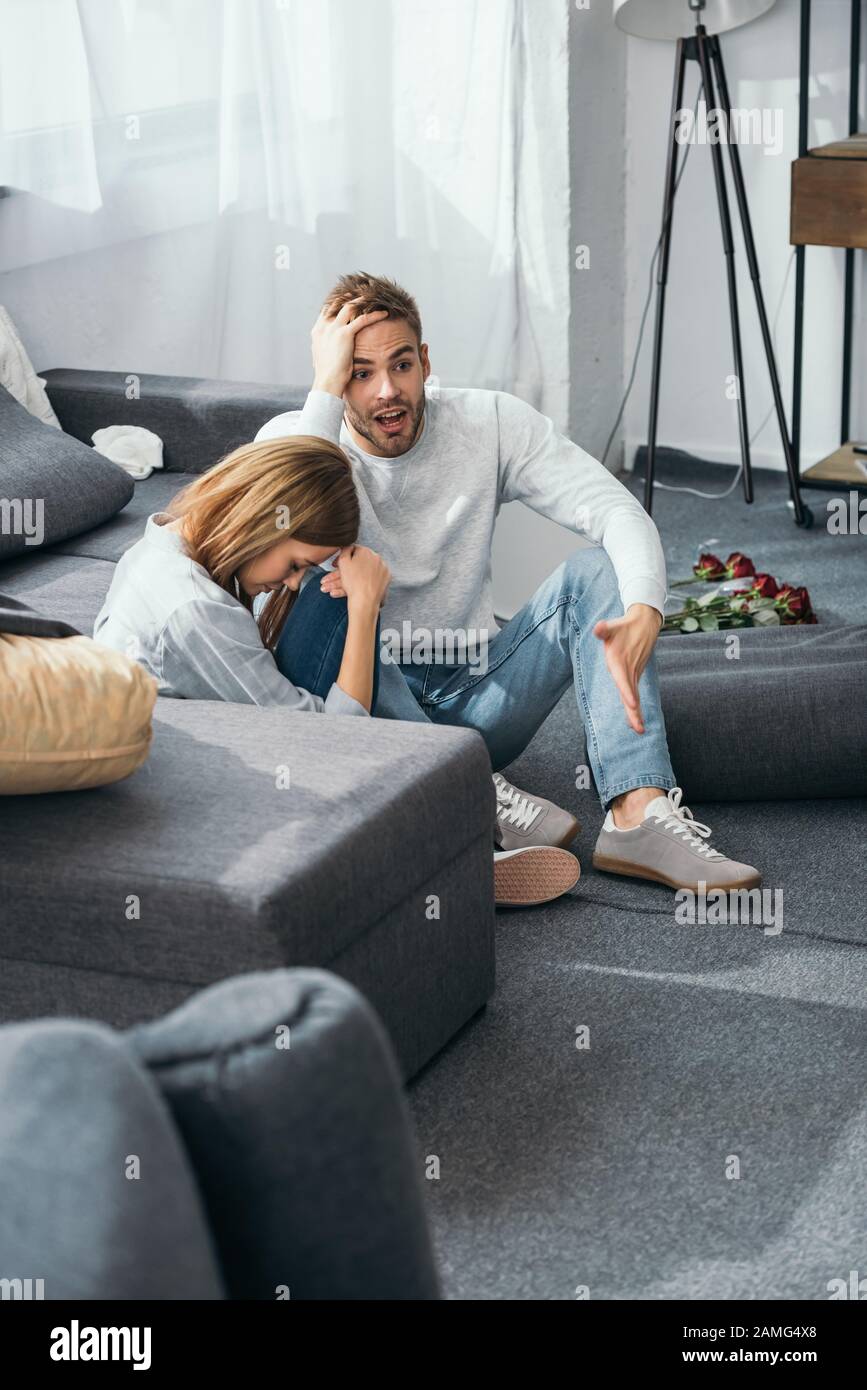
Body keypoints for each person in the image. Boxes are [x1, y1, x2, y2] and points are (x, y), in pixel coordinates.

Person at [255, 272, 761, 895]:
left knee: (597, 572)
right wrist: (324, 393)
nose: (388, 391)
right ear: (333, 376)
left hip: (477, 693)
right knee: (314, 590)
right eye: (359, 372)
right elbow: (278, 569)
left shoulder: (487, 421)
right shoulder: (293, 438)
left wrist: (646, 610)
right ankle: (468, 788)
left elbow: (616, 510)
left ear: (425, 361)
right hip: (369, 705)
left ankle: (636, 812)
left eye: (402, 364)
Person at [93, 431, 579, 906]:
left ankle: (446, 800)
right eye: (291, 562)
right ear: (262, 523)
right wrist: (366, 608)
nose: (282, 584)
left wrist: (333, 583)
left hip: (198, 737)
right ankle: (444, 840)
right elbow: (330, 740)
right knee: (342, 604)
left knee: (330, 593)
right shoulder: (196, 612)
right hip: (190, 776)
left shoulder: (169, 536)